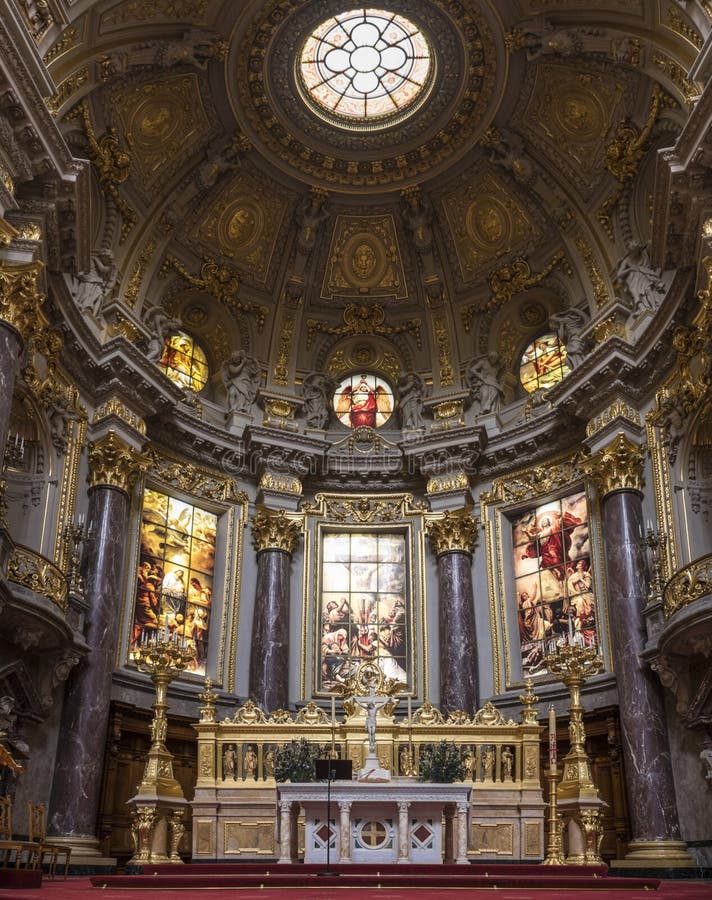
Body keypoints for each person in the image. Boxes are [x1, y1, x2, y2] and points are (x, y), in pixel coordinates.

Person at [616, 241, 666, 314]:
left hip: (645, 275)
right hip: (636, 280)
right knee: (633, 281)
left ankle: (654, 307)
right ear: (630, 251)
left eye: (637, 249)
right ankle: (642, 305)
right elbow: (619, 274)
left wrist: (648, 243)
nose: (636, 252)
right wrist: (630, 269)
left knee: (647, 288)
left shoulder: (644, 253)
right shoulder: (626, 261)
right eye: (634, 249)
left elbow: (652, 244)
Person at [73, 248, 117, 316]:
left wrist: (95, 259)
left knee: (99, 295)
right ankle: (83, 302)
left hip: (97, 282)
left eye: (109, 260)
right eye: (107, 259)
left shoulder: (109, 267)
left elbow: (102, 269)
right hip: (92, 280)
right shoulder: (92, 260)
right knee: (89, 287)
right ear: (103, 256)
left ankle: (91, 310)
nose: (108, 261)